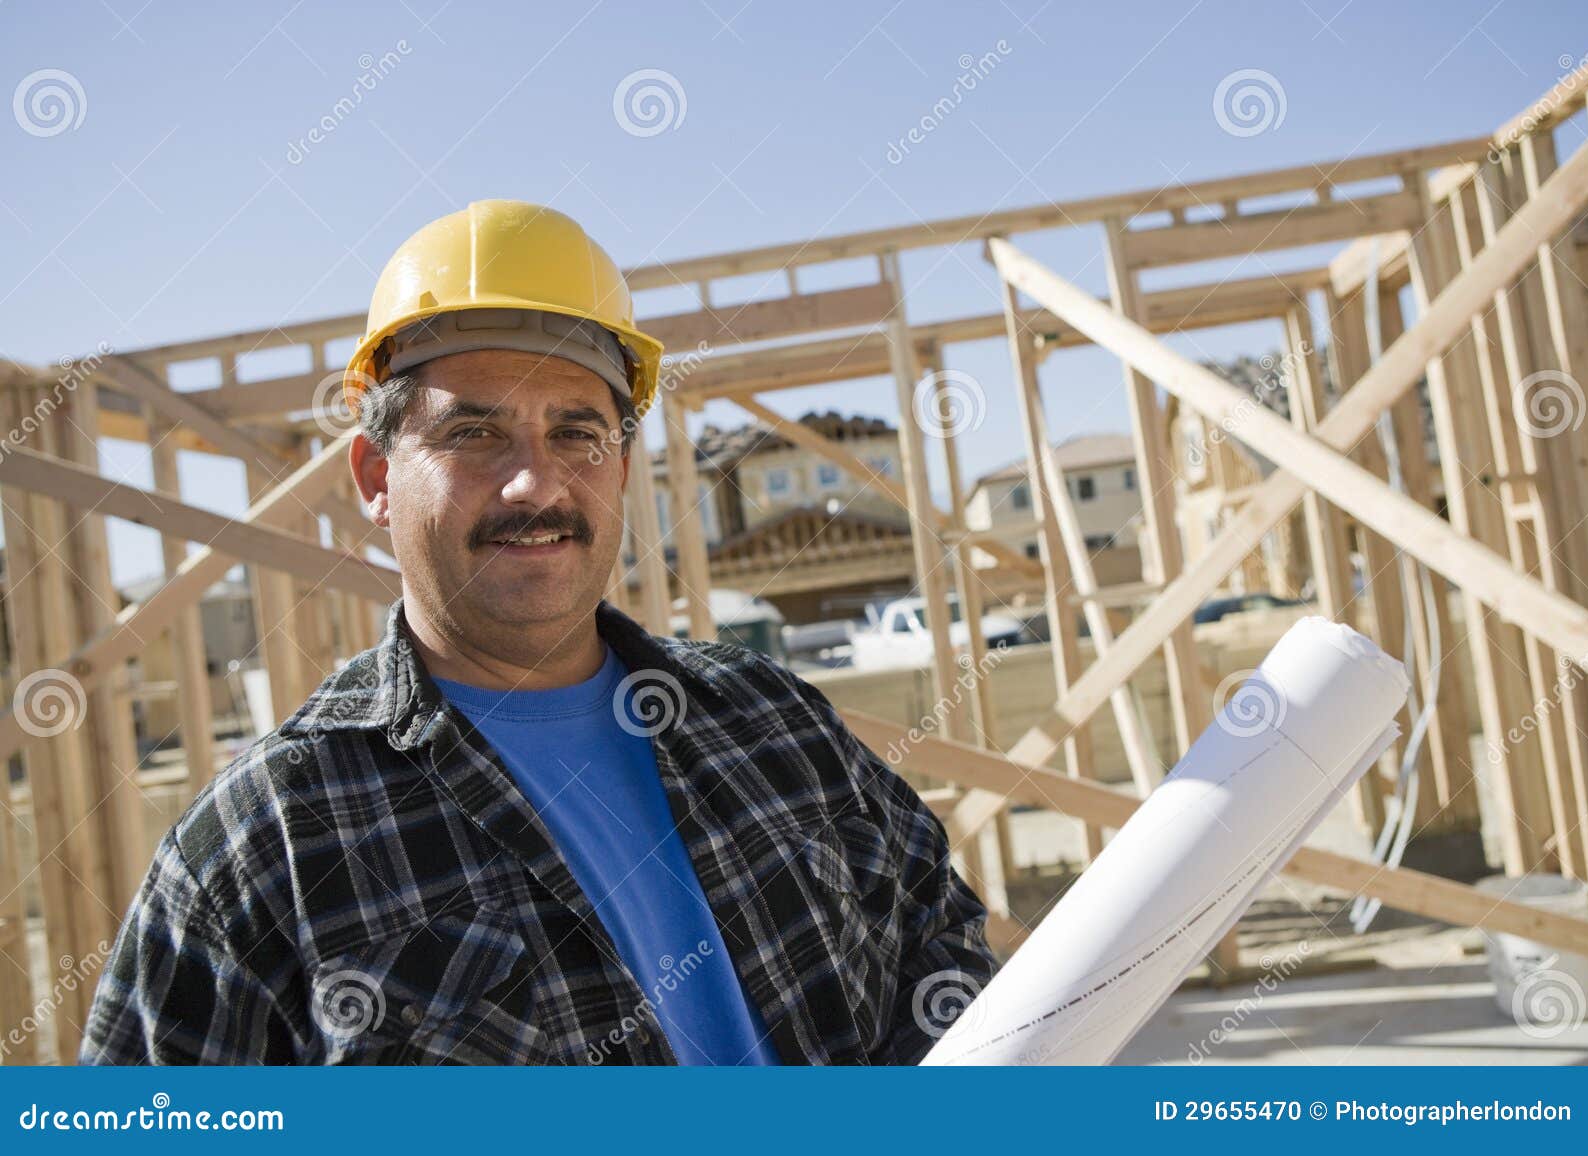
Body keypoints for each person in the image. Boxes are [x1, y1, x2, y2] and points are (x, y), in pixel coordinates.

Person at [79, 200, 996, 1065]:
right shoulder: (271, 839)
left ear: (623, 465)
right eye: (475, 433)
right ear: (374, 476)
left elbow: (942, 951)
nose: (537, 485)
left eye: (577, 433)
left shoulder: (773, 722)